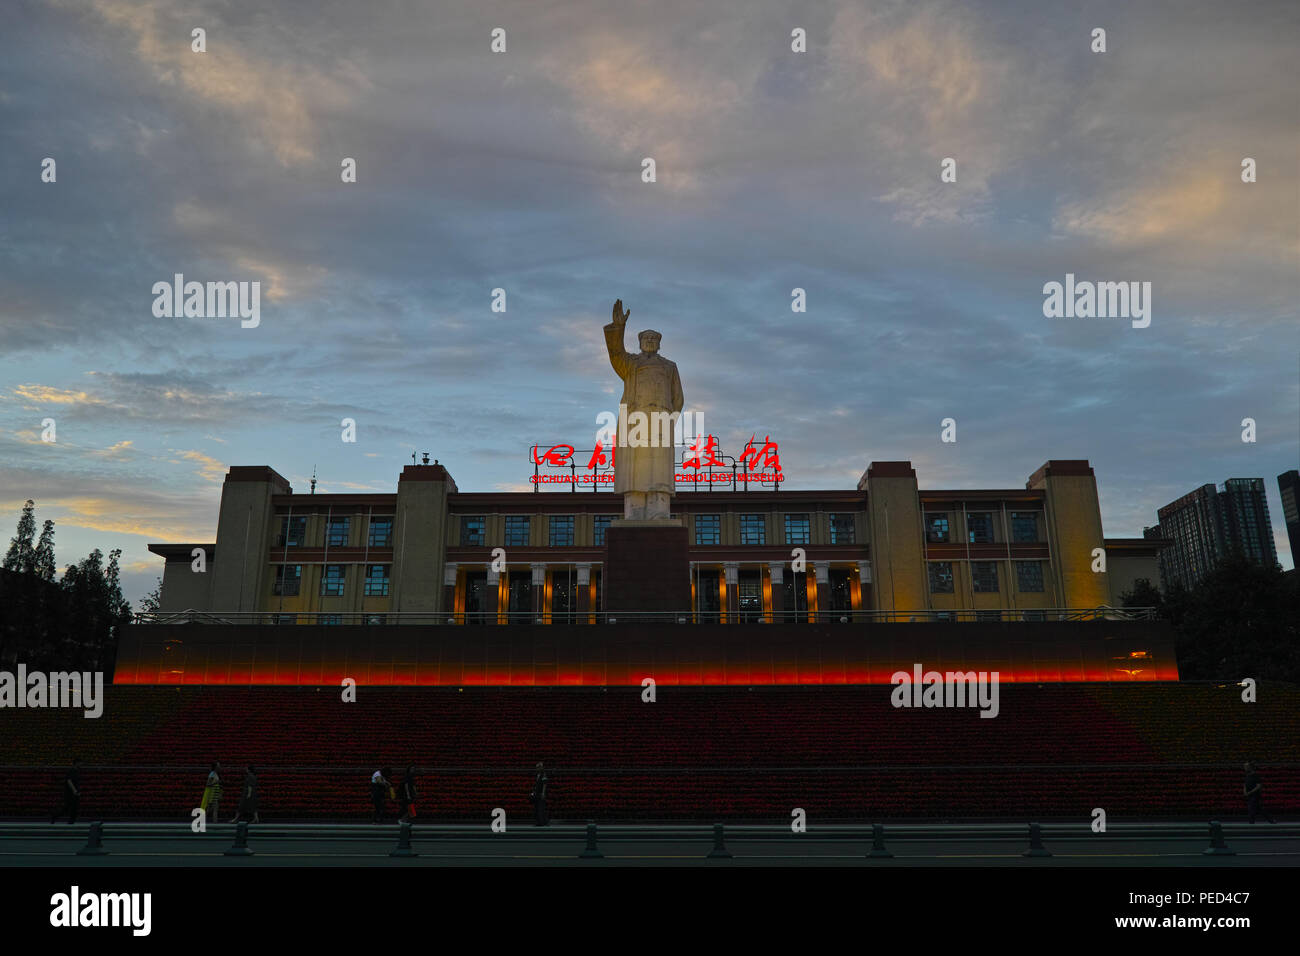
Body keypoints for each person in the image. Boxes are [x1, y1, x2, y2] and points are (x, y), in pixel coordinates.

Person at [50, 759, 81, 824]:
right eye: (79, 763)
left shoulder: (76, 771)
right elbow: (69, 781)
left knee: (74, 808)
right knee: (67, 808)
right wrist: (74, 790)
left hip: (74, 792)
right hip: (70, 793)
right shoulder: (71, 771)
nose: (81, 764)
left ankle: (71, 821)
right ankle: (55, 816)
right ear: (76, 763)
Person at [530, 762, 550, 827]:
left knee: (541, 808)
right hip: (537, 794)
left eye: (539, 767)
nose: (537, 768)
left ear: (542, 767)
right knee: (537, 808)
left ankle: (543, 822)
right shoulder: (538, 775)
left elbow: (544, 784)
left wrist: (543, 793)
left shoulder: (543, 774)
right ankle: (539, 822)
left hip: (541, 794)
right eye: (537, 767)